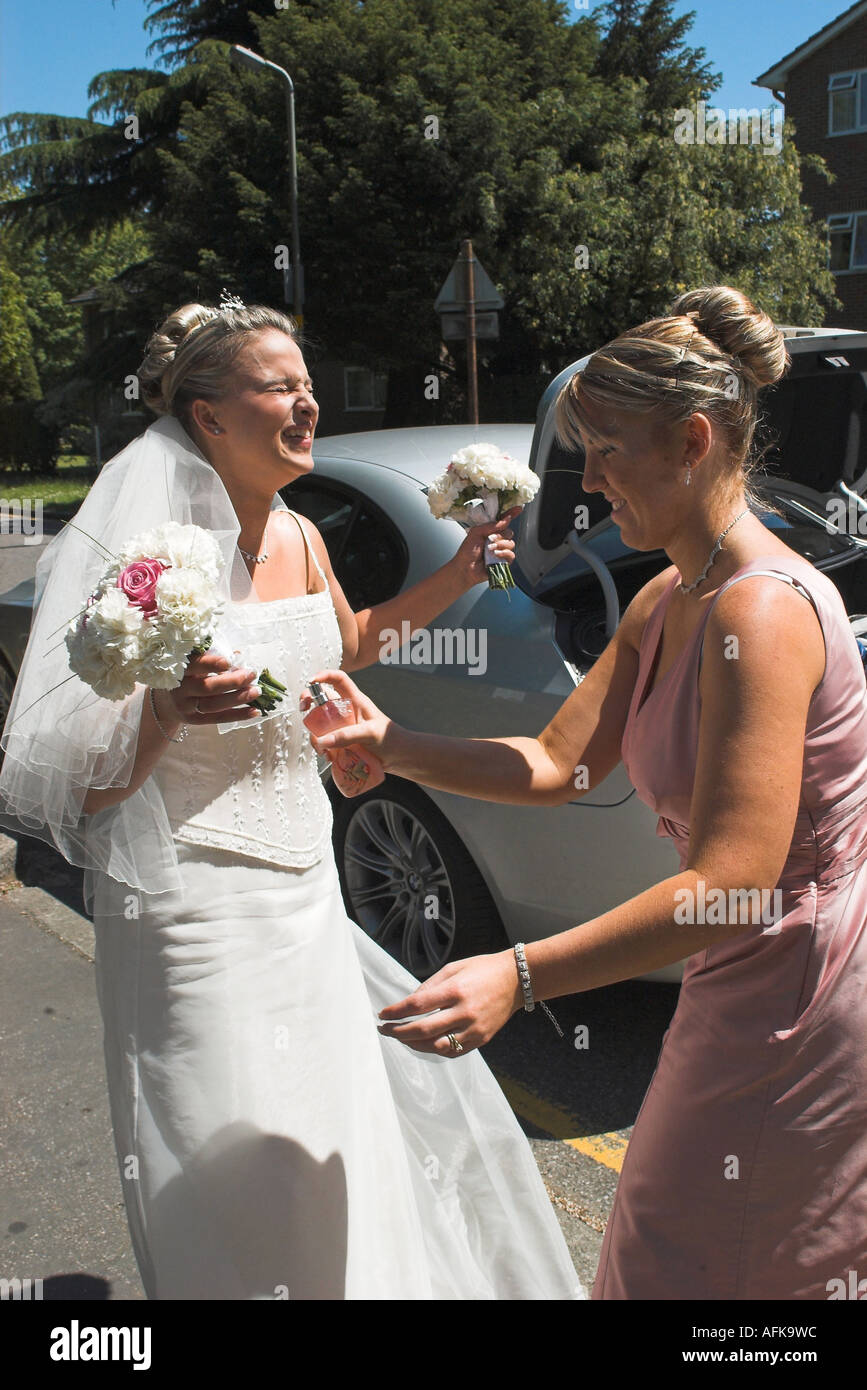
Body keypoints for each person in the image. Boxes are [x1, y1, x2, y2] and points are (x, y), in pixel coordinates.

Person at [0, 297, 584, 1300]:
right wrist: (165, 713)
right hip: (192, 909)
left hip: (307, 893)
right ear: (209, 415)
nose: (308, 402)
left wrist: (449, 579)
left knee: (324, 1137)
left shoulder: (306, 538)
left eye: (309, 385)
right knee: (232, 1159)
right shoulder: (144, 567)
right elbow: (85, 790)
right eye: (280, 385)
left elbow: (344, 647)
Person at [306, 285, 867, 1301]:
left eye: (607, 452)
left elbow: (736, 876)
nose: (592, 485)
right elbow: (558, 763)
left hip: (801, 994)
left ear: (693, 438)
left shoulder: (768, 612)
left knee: (710, 1262)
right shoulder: (666, 595)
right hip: (735, 974)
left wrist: (518, 975)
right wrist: (390, 743)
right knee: (689, 1254)